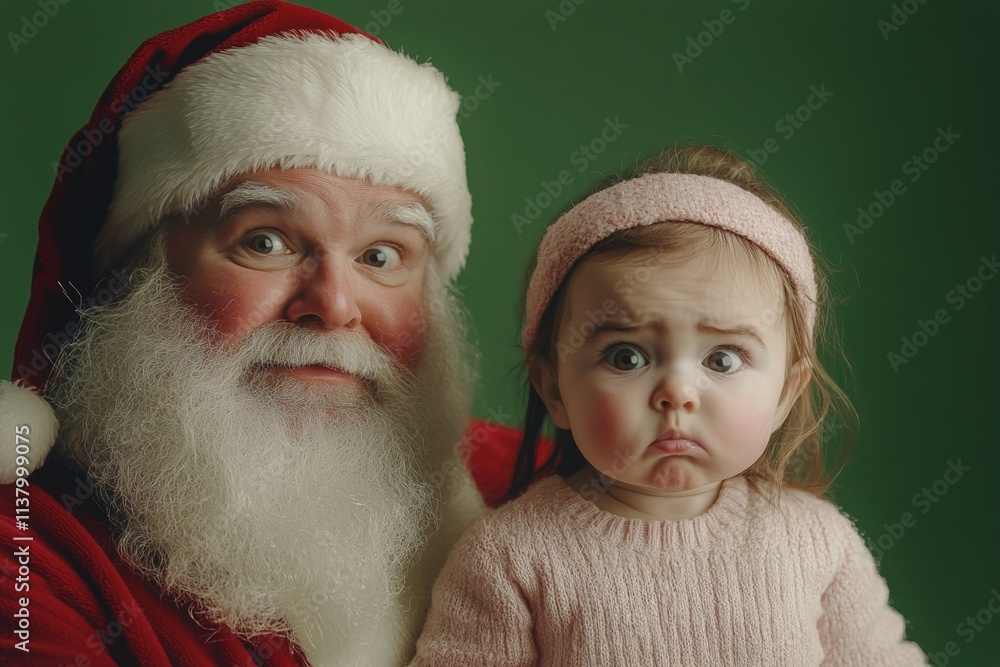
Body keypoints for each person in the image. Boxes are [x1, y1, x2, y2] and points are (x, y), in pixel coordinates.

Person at [0, 1, 523, 664]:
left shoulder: (558, 485)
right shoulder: (30, 557)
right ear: (135, 278)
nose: (334, 305)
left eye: (382, 256)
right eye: (266, 240)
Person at [409, 144, 929, 665]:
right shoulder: (509, 560)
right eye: (627, 356)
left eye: (723, 360)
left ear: (785, 395)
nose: (677, 393)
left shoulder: (817, 544)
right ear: (555, 389)